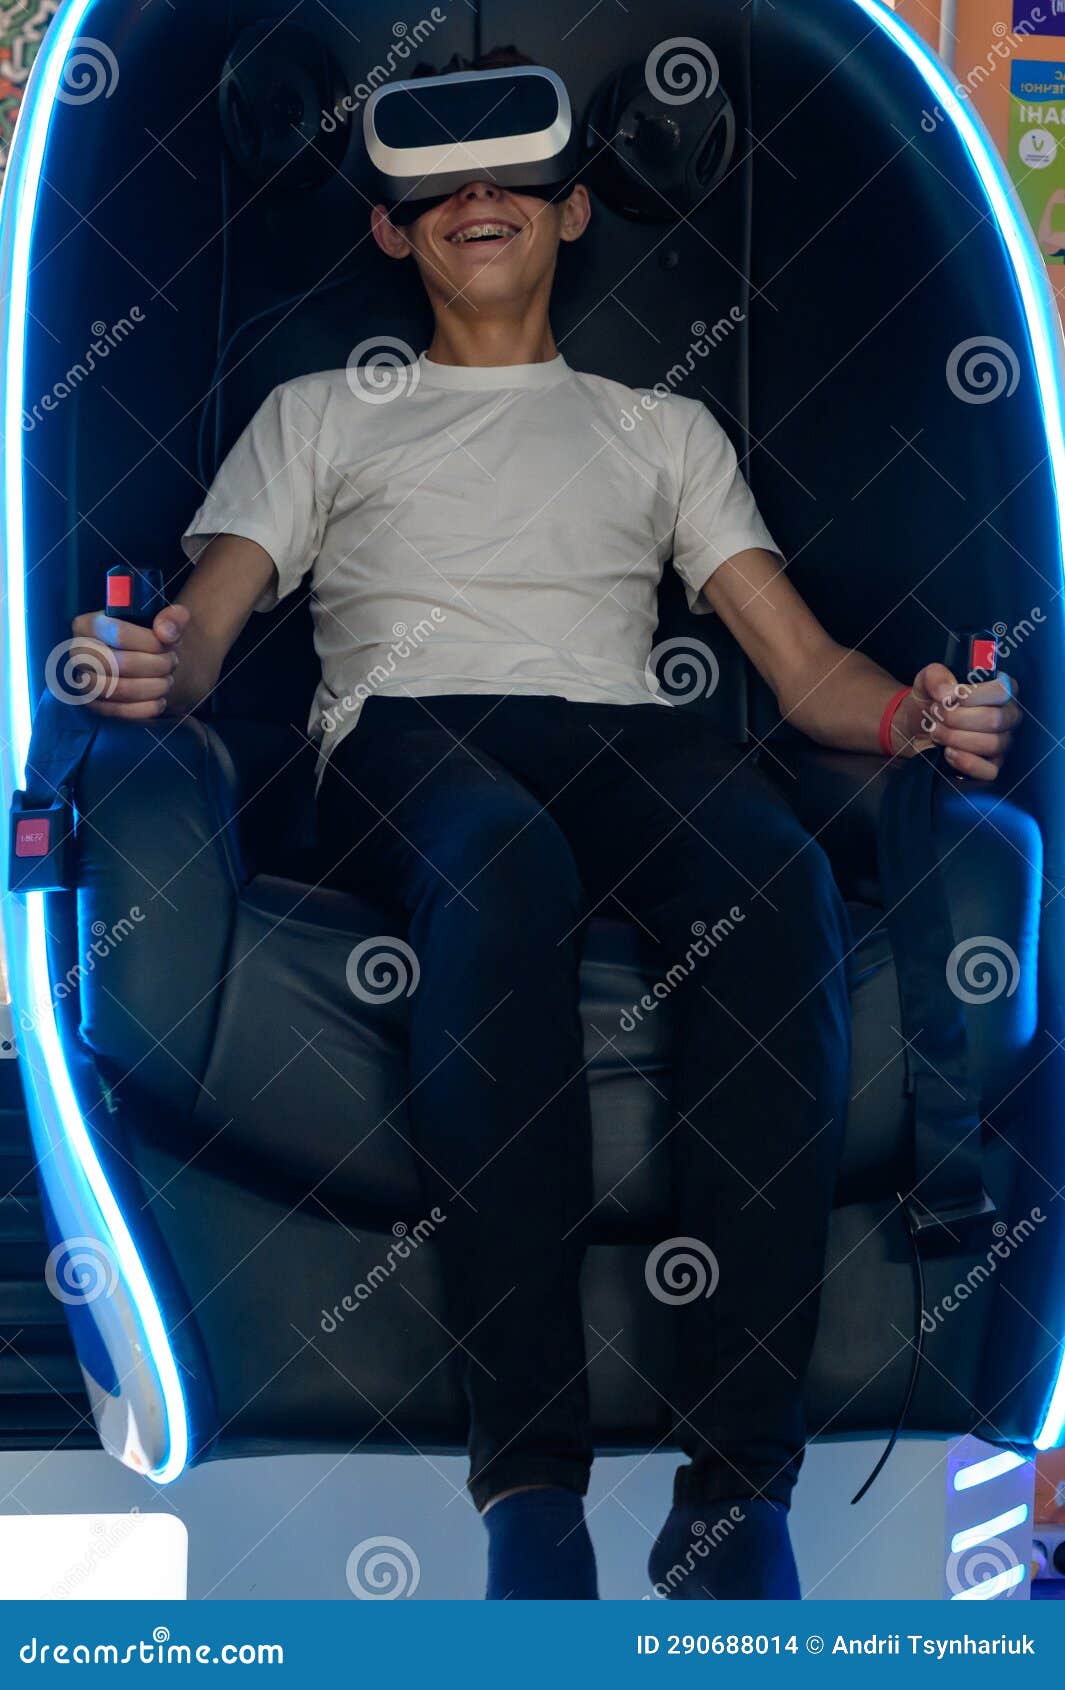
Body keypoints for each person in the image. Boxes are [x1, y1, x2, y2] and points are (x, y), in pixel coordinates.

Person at [69, 47, 1021, 1602]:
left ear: (574, 210)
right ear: (394, 232)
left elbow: (796, 672)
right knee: (500, 866)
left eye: (515, 177)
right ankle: (532, 1492)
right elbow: (203, 633)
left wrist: (911, 712)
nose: (481, 202)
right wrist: (139, 666)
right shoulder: (319, 414)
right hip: (405, 732)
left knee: (771, 873)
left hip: (629, 729)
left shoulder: (659, 431)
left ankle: (732, 1498)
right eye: (442, 186)